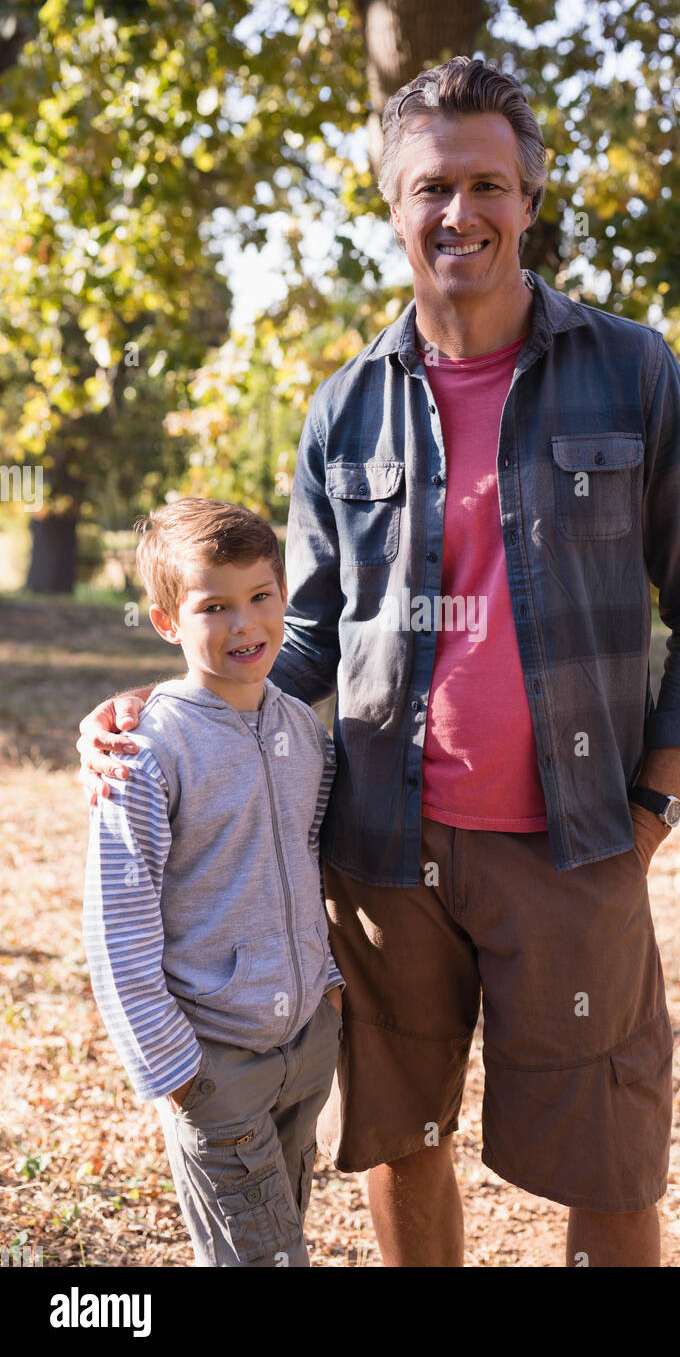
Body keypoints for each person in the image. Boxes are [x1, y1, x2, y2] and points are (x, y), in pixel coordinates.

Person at [78, 57, 680, 1268]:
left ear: (529, 198)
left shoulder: (631, 370)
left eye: (488, 183)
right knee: (401, 1137)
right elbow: (308, 630)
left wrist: (654, 801)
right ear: (392, 205)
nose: (459, 213)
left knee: (608, 1150)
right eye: (431, 187)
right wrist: (170, 710)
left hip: (581, 839)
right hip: (383, 851)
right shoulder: (344, 408)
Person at [82, 499, 344, 1267]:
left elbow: (306, 859)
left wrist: (326, 987)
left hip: (304, 1043)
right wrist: (177, 1071)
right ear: (166, 622)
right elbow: (117, 928)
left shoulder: (305, 733)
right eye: (214, 606)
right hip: (214, 1061)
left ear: (284, 596)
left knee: (276, 1234)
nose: (244, 625)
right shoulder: (145, 755)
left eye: (261, 596)